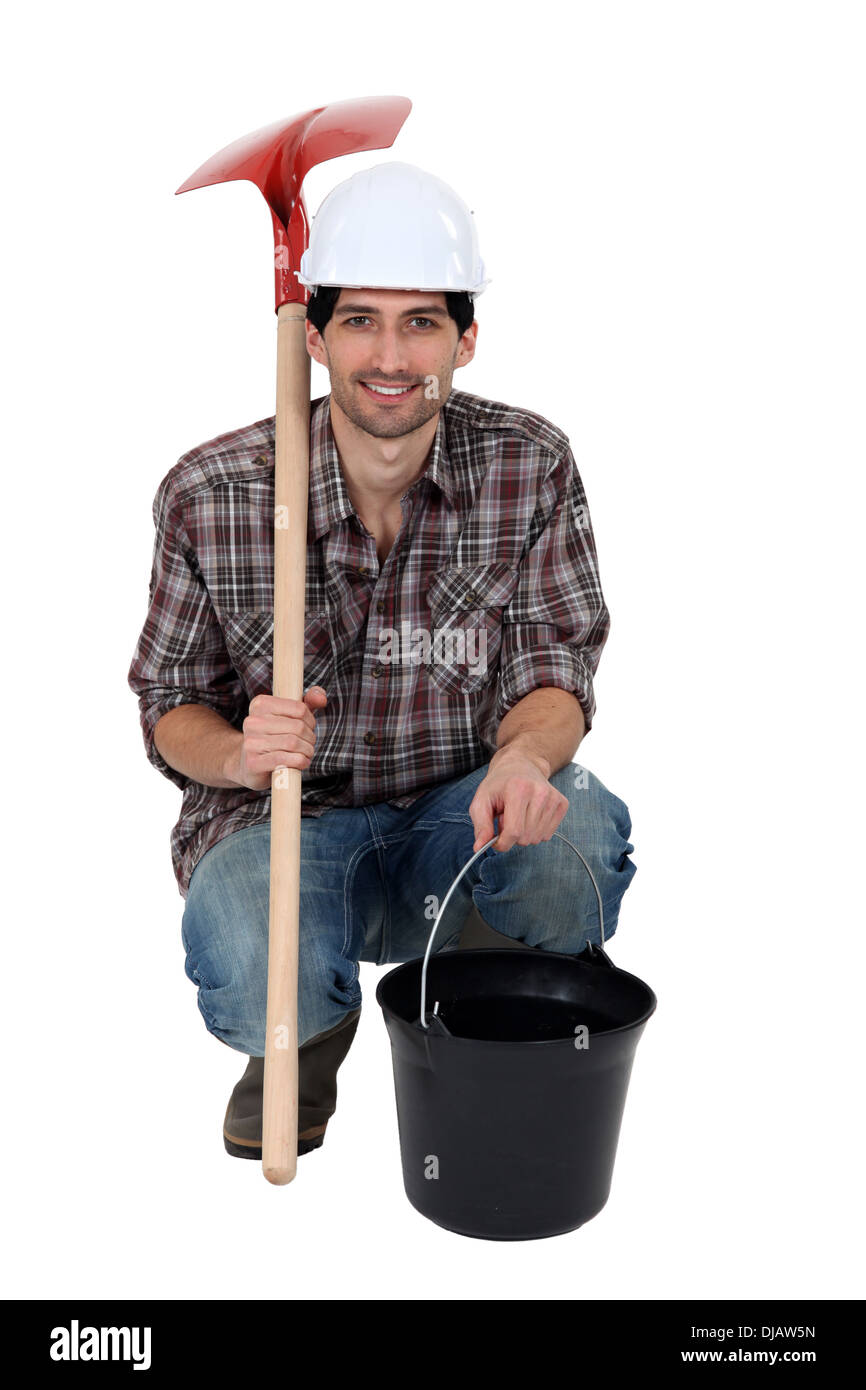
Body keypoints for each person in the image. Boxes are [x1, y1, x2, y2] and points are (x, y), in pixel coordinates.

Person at [127, 161, 637, 1162]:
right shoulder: (211, 489)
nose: (389, 355)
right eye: (359, 320)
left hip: (459, 810)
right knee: (245, 954)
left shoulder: (527, 462)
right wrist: (238, 751)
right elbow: (167, 702)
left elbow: (555, 666)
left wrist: (523, 759)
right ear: (312, 335)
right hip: (284, 830)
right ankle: (303, 1038)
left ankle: (473, 983)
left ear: (466, 337)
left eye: (420, 323)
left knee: (570, 838)